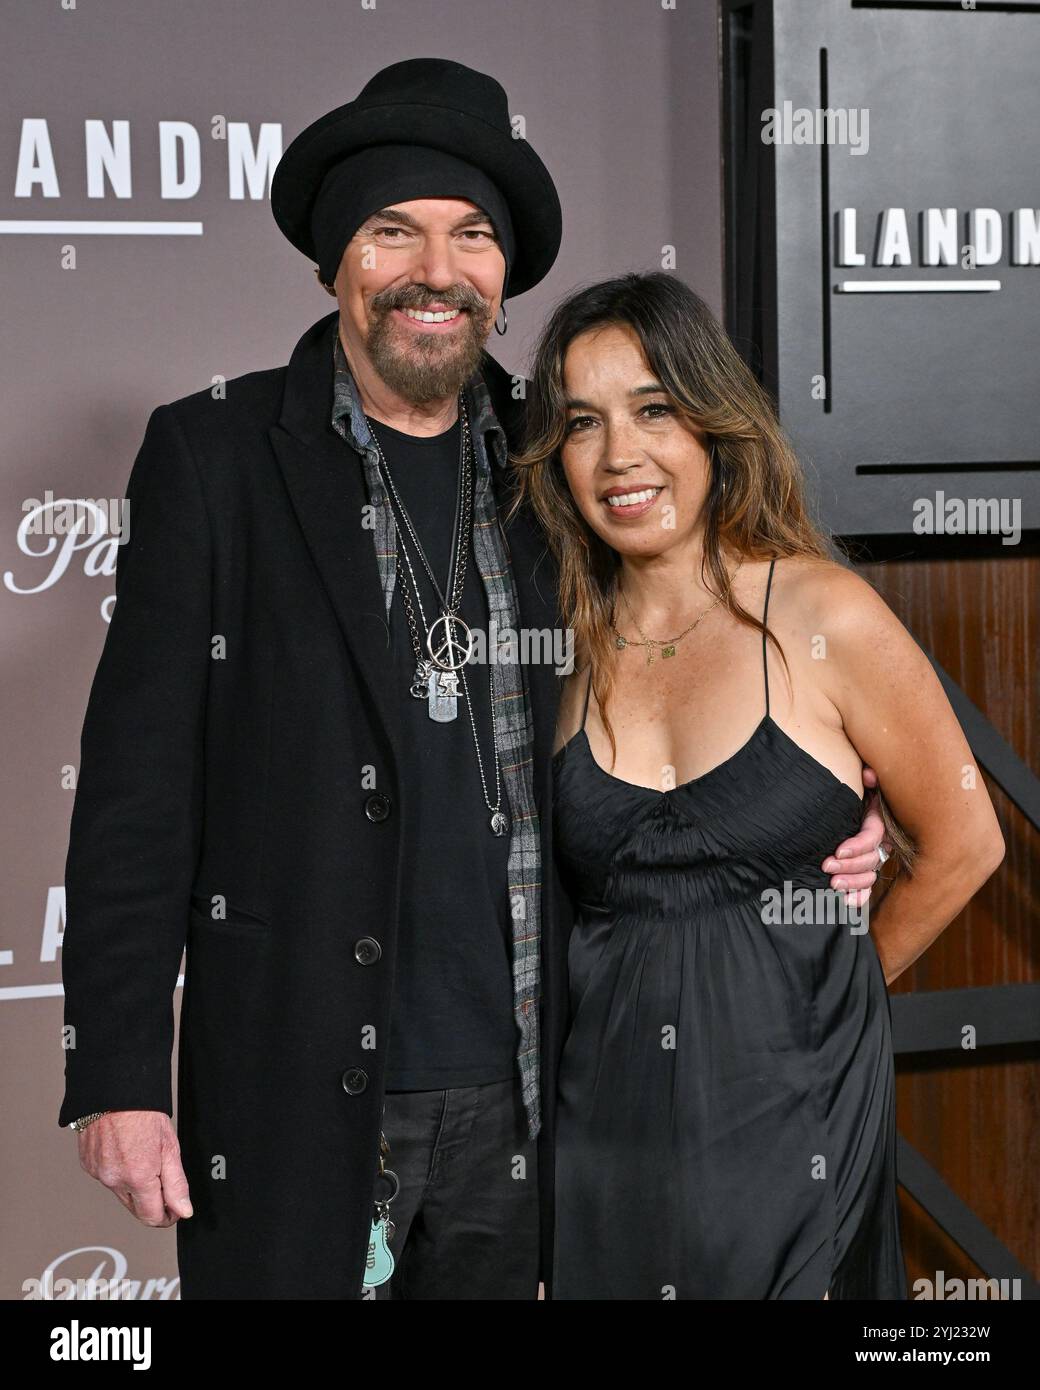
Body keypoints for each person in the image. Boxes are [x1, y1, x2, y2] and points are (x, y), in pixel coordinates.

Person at [57, 60, 888, 1300]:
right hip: (294, 1097)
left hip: (542, 1099)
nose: (434, 272)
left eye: (470, 237)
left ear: (501, 278)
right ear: (339, 259)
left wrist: (825, 811)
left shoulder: (559, 466)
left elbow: (700, 660)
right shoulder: (213, 454)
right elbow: (133, 797)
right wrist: (119, 1075)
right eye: (393, 232)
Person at [510, 271, 1006, 1299]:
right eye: (581, 424)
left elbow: (964, 843)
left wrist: (831, 986)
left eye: (652, 409)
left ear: (709, 420)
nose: (619, 457)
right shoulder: (560, 642)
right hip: (600, 1119)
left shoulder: (823, 611)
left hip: (794, 1116)